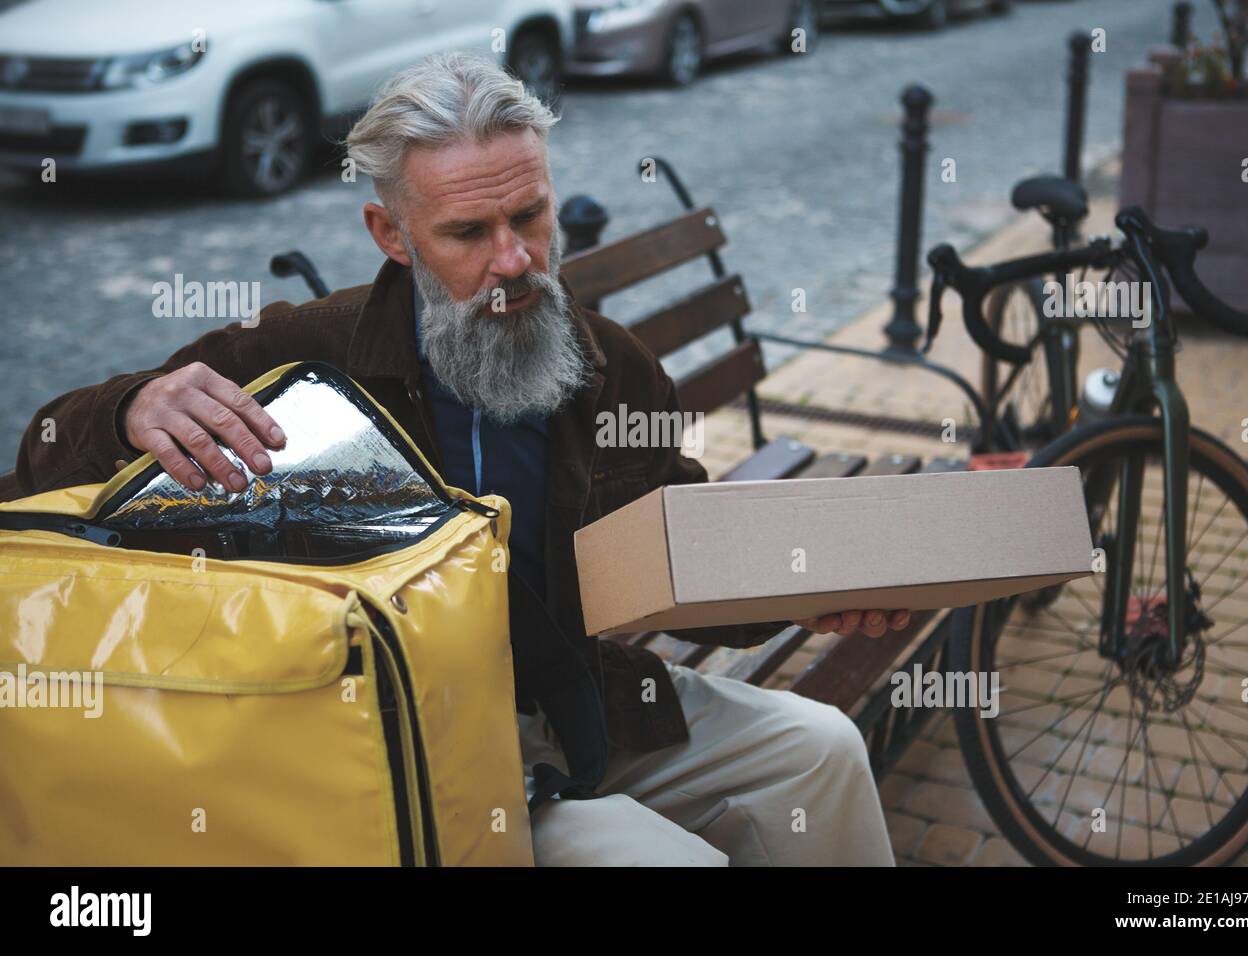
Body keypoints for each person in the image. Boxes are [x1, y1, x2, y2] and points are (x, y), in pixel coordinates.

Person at [14, 52, 908, 866]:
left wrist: (804, 596)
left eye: (529, 216)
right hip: (403, 731)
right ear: (391, 235)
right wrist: (129, 406)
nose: (513, 260)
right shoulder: (296, 361)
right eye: (467, 234)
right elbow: (42, 462)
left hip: (580, 697)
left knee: (821, 751)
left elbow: (671, 560)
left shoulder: (612, 364)